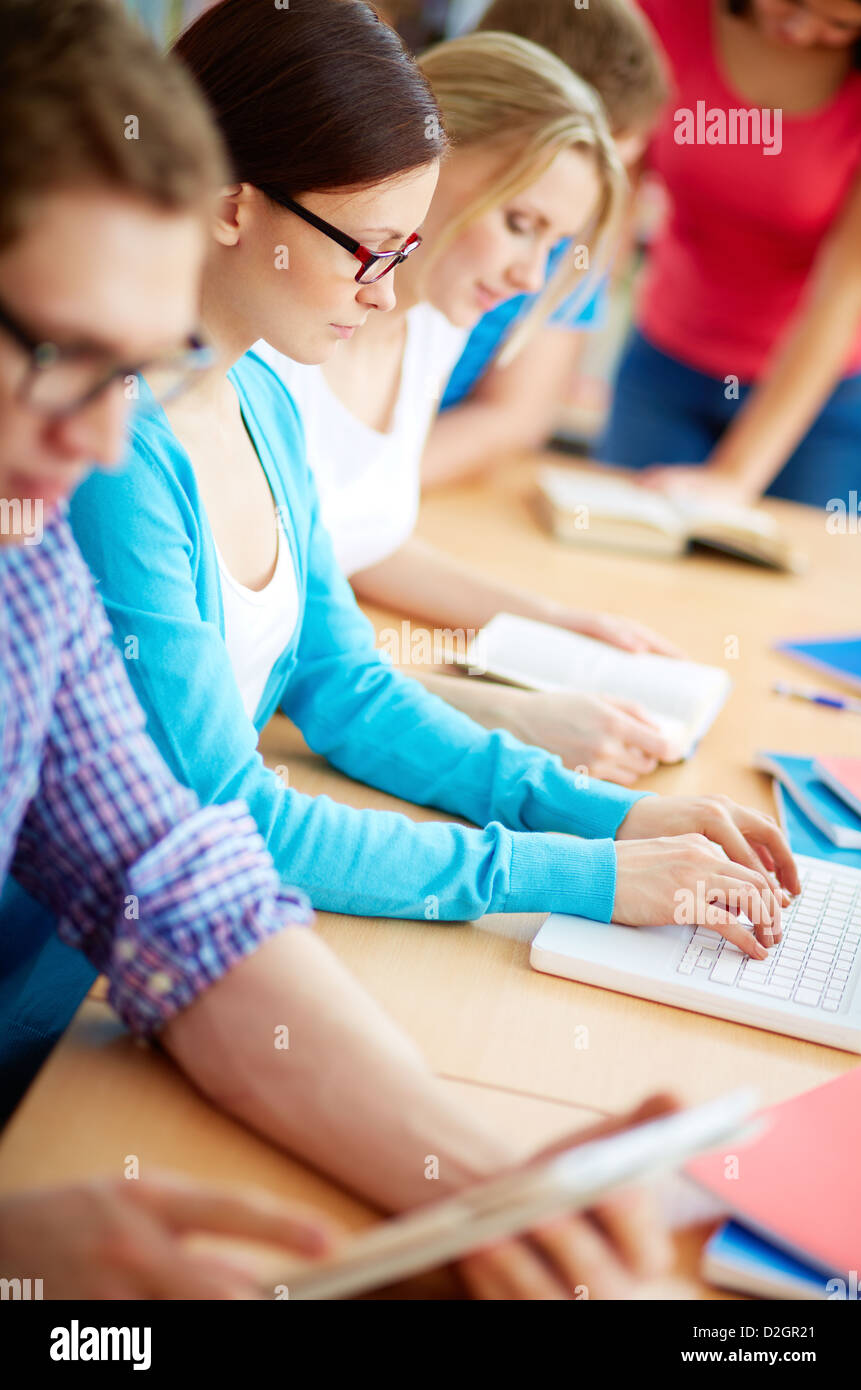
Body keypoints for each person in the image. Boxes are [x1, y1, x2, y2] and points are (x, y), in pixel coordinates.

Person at [0, 0, 677, 1301]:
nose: (96, 441)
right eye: (64, 359)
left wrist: (480, 1187)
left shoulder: (27, 557)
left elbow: (177, 880)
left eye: (130, 367)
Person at [70, 0, 798, 948]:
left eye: (402, 252)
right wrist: (590, 873)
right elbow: (239, 816)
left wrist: (606, 816)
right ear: (230, 208)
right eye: (367, 250)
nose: (382, 293)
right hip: (67, 988)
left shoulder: (259, 399)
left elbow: (346, 689)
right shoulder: (113, 455)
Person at [259, 23, 676, 786]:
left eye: (553, 245)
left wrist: (550, 625)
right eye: (520, 224)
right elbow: (252, 649)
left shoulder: (433, 320)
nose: (527, 277)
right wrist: (498, 712)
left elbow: (358, 540)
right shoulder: (280, 335)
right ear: (426, 154)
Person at [597, 0, 861, 509]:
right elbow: (614, 198)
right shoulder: (665, 15)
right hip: (665, 363)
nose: (800, 28)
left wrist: (735, 478)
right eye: (791, 1)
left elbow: (845, 290)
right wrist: (556, 355)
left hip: (827, 399)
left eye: (841, 24)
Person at [426, 0, 668, 480]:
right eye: (520, 220)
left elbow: (516, 414)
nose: (532, 276)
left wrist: (375, 496)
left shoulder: (570, 245)